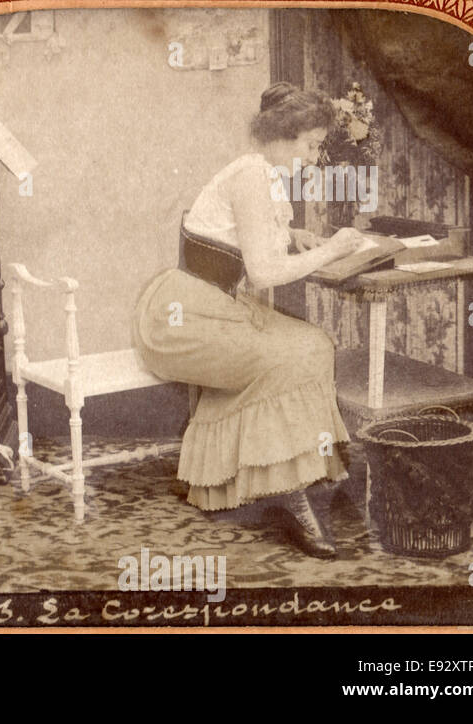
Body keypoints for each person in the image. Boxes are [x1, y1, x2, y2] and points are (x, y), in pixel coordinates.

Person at [132, 82, 369, 558]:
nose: (313, 155)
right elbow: (261, 274)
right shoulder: (253, 177)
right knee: (289, 358)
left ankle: (231, 477)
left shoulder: (259, 173)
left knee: (313, 343)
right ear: (283, 136)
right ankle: (292, 495)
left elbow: (240, 237)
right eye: (310, 144)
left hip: (211, 305)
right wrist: (331, 248)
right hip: (183, 320)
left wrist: (295, 235)